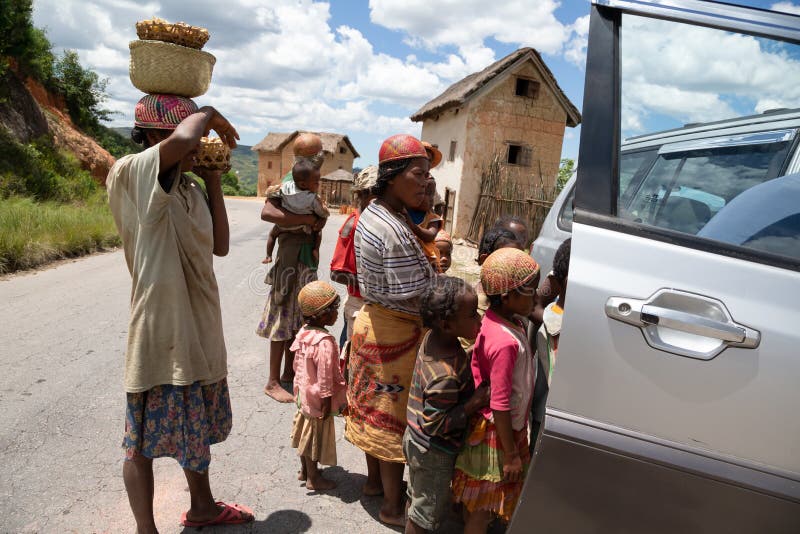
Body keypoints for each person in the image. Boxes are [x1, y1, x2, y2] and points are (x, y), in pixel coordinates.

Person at [106, 94, 253, 531]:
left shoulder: (186, 186)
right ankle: (145, 529)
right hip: (160, 330)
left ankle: (204, 507)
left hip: (198, 329)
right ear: (155, 137)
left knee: (196, 430)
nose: (197, 146)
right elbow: (188, 133)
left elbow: (220, 246)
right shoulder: (131, 172)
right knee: (140, 444)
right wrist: (209, 111)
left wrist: (212, 180)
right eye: (191, 140)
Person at [346, 134, 435, 526]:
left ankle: (373, 484)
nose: (425, 183)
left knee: (373, 411)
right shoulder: (390, 226)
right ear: (394, 176)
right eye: (418, 174)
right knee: (391, 419)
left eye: (428, 175)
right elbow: (415, 294)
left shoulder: (382, 213)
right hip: (394, 333)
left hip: (376, 324)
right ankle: (393, 506)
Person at [452, 247, 540, 532]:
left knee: (479, 501)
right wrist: (511, 454)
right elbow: (501, 402)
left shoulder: (501, 321)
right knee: (484, 505)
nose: (536, 297)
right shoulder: (504, 342)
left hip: (497, 428)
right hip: (498, 433)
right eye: (530, 291)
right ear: (508, 297)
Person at [404, 276, 490, 534]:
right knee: (425, 515)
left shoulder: (435, 339)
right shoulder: (444, 375)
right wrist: (473, 403)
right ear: (447, 324)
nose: (480, 320)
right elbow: (436, 424)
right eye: (472, 315)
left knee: (416, 495)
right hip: (434, 452)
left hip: (414, 438)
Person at [258, 185, 326, 404]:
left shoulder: (310, 206)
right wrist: (305, 219)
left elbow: (320, 224)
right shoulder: (287, 196)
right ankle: (272, 381)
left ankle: (289, 372)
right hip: (287, 274)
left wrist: (314, 226)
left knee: (297, 323)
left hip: (304, 273)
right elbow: (271, 225)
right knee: (281, 322)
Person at [290, 281, 347, 491]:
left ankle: (304, 471)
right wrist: (326, 401)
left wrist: (298, 388)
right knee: (313, 437)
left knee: (305, 432)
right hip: (318, 399)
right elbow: (324, 377)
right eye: (335, 310)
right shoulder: (324, 341)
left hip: (304, 395)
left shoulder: (304, 332)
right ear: (323, 315)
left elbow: (297, 364)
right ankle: (314, 478)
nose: (336, 315)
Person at [330, 166, 378, 346]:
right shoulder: (354, 224)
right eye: (370, 194)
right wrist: (374, 284)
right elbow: (337, 273)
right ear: (361, 196)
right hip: (360, 304)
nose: (376, 200)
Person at [531, 238, 570, 451]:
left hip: (542, 414)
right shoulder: (557, 321)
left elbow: (534, 303)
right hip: (549, 417)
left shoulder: (547, 316)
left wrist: (555, 277)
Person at [262, 160, 329, 267]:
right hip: (303, 228)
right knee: (318, 233)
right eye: (316, 182)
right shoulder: (312, 198)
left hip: (283, 226)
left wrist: (269, 197)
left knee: (272, 235)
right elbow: (323, 213)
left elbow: (273, 193)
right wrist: (323, 217)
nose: (318, 184)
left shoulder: (285, 187)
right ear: (303, 184)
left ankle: (268, 255)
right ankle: (316, 249)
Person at [405, 178, 444, 271]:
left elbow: (430, 236)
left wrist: (414, 227)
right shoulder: (405, 211)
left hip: (428, 258)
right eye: (428, 194)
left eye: (433, 194)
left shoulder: (432, 218)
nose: (432, 199)